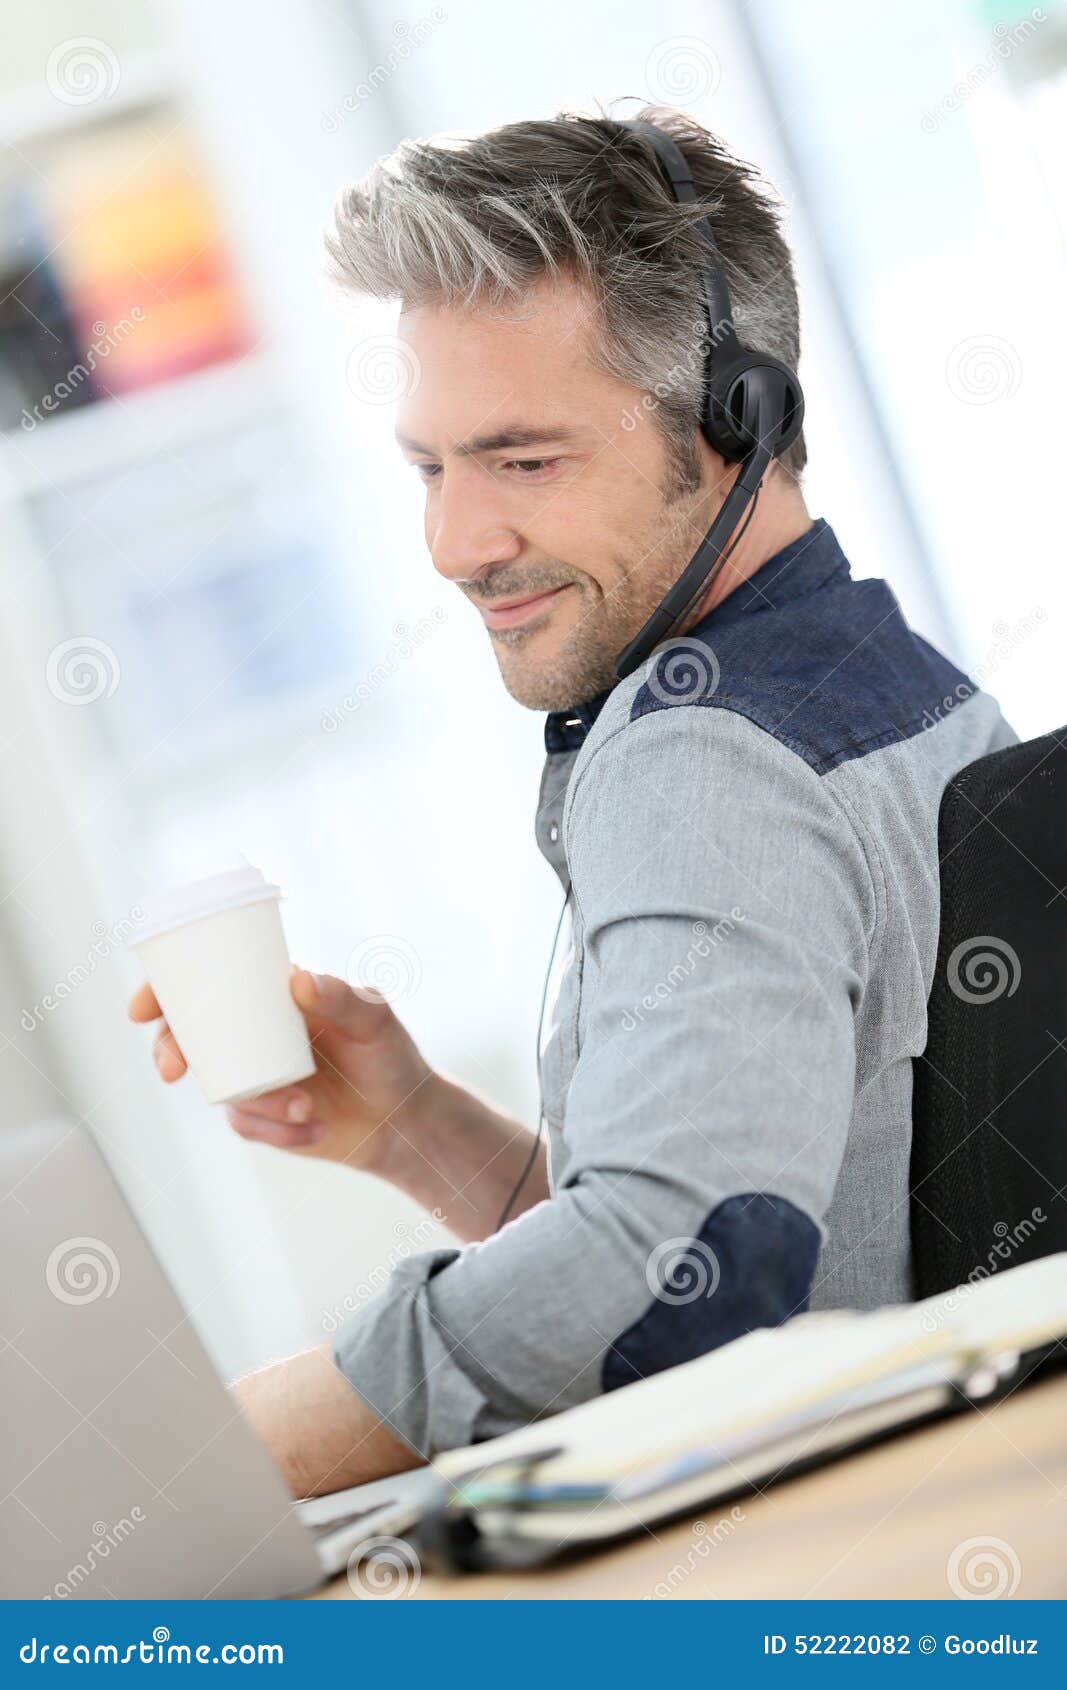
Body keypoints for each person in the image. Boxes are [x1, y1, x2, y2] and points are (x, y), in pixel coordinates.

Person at [130, 107, 1015, 1498]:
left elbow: (684, 1273)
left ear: (741, 420)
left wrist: (181, 1473)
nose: (455, 543)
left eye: (523, 461)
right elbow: (775, 1228)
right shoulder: (897, 682)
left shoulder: (704, 759)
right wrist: (420, 1123)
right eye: (432, 466)